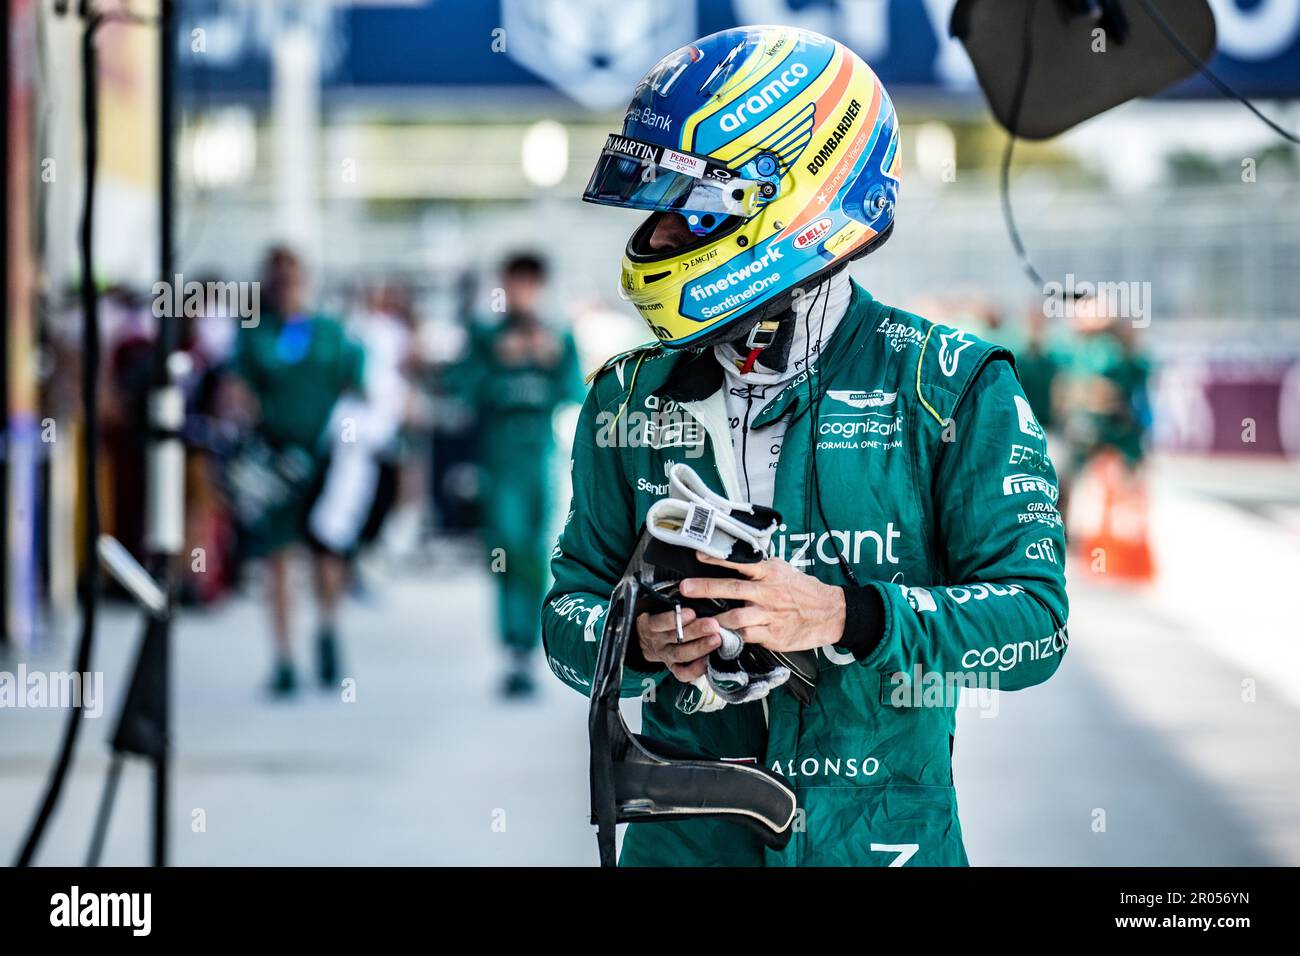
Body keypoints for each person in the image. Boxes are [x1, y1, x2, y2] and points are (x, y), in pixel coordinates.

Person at [543, 26, 1069, 866]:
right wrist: (636, 638)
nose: (662, 236)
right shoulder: (626, 397)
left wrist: (845, 615)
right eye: (661, 212)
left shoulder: (952, 383)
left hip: (885, 839)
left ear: (793, 200)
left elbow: (1037, 629)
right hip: (681, 840)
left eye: (693, 208)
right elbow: (566, 615)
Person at [446, 254, 584, 698]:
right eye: (514, 283)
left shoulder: (557, 336)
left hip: (540, 458)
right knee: (505, 546)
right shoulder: (486, 337)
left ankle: (529, 646)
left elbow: (576, 392)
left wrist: (547, 357)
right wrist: (497, 366)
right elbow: (458, 390)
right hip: (499, 459)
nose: (522, 292)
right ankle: (513, 645)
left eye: (530, 284)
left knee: (536, 549)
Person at [230, 247, 366, 696]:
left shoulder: (329, 332)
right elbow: (237, 390)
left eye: (293, 275)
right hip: (276, 462)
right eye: (278, 277)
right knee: (278, 561)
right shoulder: (254, 333)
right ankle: (284, 658)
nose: (287, 284)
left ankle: (327, 628)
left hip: (325, 458)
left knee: (326, 552)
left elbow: (358, 386)